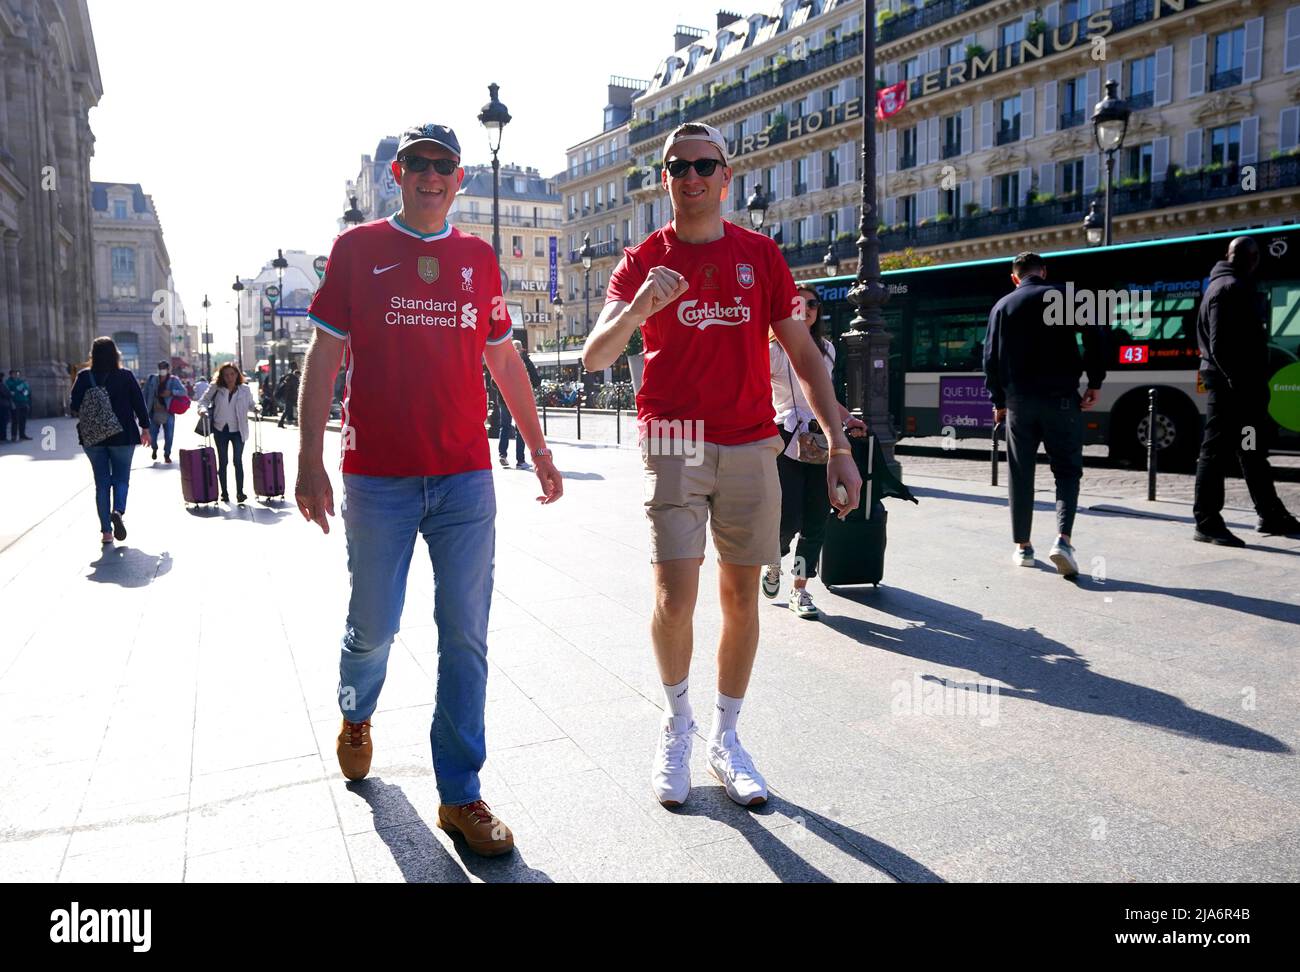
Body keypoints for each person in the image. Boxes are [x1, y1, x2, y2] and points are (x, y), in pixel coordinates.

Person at [295, 122, 563, 857]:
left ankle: (459, 794)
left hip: (464, 478)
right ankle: (357, 713)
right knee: (374, 624)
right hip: (376, 476)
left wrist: (537, 448)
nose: (431, 175)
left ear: (461, 179)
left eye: (444, 165)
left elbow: (506, 364)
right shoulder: (357, 251)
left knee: (466, 635)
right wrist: (308, 459)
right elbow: (324, 357)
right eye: (417, 164)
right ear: (397, 174)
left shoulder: (480, 260)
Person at [582, 122, 861, 810]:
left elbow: (802, 354)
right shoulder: (642, 258)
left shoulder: (761, 255)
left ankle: (728, 738)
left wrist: (840, 444)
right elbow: (594, 355)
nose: (692, 175)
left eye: (704, 164)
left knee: (740, 598)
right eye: (678, 166)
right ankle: (677, 724)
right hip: (673, 436)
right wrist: (643, 303)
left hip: (748, 439)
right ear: (666, 179)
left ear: (726, 176)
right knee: (675, 598)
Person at [984, 251, 1106, 577]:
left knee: (1021, 474)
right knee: (1067, 472)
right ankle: (1063, 540)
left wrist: (998, 402)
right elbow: (1096, 337)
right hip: (1063, 401)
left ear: (1015, 277)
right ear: (1044, 271)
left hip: (1019, 405)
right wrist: (1094, 381)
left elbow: (991, 360)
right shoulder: (1065, 298)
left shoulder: (1003, 307)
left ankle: (1023, 548)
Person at [763, 285, 867, 619]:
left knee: (816, 520)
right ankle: (774, 557)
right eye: (798, 302)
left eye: (812, 303)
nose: (806, 308)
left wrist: (848, 418)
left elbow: (823, 395)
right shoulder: (771, 350)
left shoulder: (826, 349)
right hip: (784, 437)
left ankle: (800, 589)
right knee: (788, 516)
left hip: (820, 440)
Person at [1192, 236, 1300, 544]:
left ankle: (1270, 513)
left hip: (1238, 387)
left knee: (1250, 449)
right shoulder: (1229, 289)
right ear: (1249, 259)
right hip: (1233, 389)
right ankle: (1207, 521)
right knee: (1214, 452)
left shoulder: (1225, 286)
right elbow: (1220, 345)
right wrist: (1242, 384)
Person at [68, 337, 151, 543]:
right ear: (116, 355)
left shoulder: (84, 376)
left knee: (102, 483)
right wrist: (146, 428)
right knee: (121, 478)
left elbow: (73, 405)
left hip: (93, 438)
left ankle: (106, 532)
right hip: (123, 435)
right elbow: (138, 403)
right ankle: (118, 511)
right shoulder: (125, 376)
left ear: (93, 355)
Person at [199, 363, 258, 504]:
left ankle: (240, 493)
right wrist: (202, 409)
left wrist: (257, 407)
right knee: (223, 461)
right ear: (222, 377)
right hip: (221, 429)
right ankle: (224, 493)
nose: (229, 377)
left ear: (237, 375)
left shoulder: (245, 389)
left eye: (232, 374)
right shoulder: (216, 388)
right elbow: (204, 400)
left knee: (238, 461)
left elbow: (251, 404)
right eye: (226, 375)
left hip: (239, 429)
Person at [497, 340, 540, 469]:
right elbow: (536, 381)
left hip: (504, 399)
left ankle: (502, 455)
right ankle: (520, 460)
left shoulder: (503, 360)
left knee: (504, 427)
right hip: (520, 400)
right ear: (522, 350)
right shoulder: (526, 362)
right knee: (520, 429)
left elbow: (494, 382)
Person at [143, 360, 185, 463]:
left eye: (164, 368)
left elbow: (183, 392)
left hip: (168, 412)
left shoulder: (173, 380)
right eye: (160, 368)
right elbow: (145, 393)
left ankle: (167, 454)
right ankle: (154, 448)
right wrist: (143, 409)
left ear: (168, 369)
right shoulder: (152, 379)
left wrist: (171, 392)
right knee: (153, 434)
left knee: (169, 435)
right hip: (154, 411)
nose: (162, 370)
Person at [6, 369, 32, 441]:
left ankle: (22, 435)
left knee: (23, 420)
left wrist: (25, 393)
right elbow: (10, 393)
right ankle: (14, 436)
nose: (16, 375)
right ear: (11, 374)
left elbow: (26, 391)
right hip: (15, 403)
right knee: (15, 420)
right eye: (14, 374)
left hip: (23, 402)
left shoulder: (21, 382)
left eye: (17, 374)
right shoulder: (8, 382)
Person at [0, 370, 12, 443]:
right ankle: (3, 437)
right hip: (3, 405)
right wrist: (10, 393)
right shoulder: (1, 385)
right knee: (4, 421)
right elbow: (7, 394)